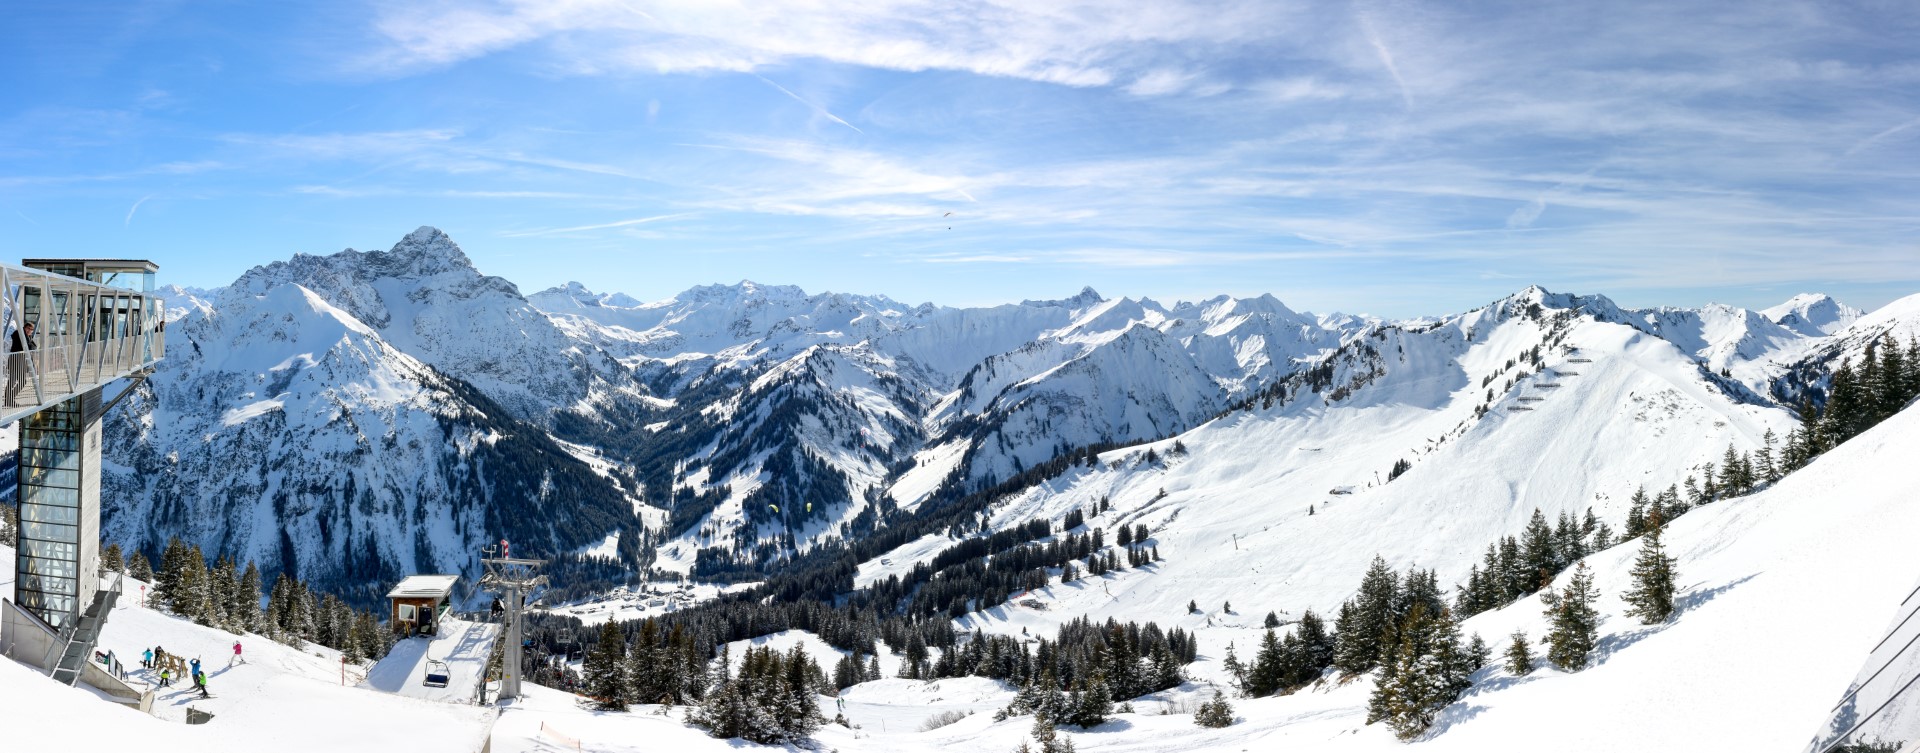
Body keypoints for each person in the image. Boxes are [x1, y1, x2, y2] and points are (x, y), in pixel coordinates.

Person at [5, 321, 35, 405]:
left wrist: (30, 343)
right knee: (12, 381)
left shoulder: (28, 337)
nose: (30, 331)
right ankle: (9, 400)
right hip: (15, 361)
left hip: (21, 363)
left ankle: (9, 399)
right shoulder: (18, 334)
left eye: (31, 329)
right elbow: (28, 347)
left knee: (21, 382)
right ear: (24, 328)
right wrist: (30, 344)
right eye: (28, 328)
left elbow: (34, 347)